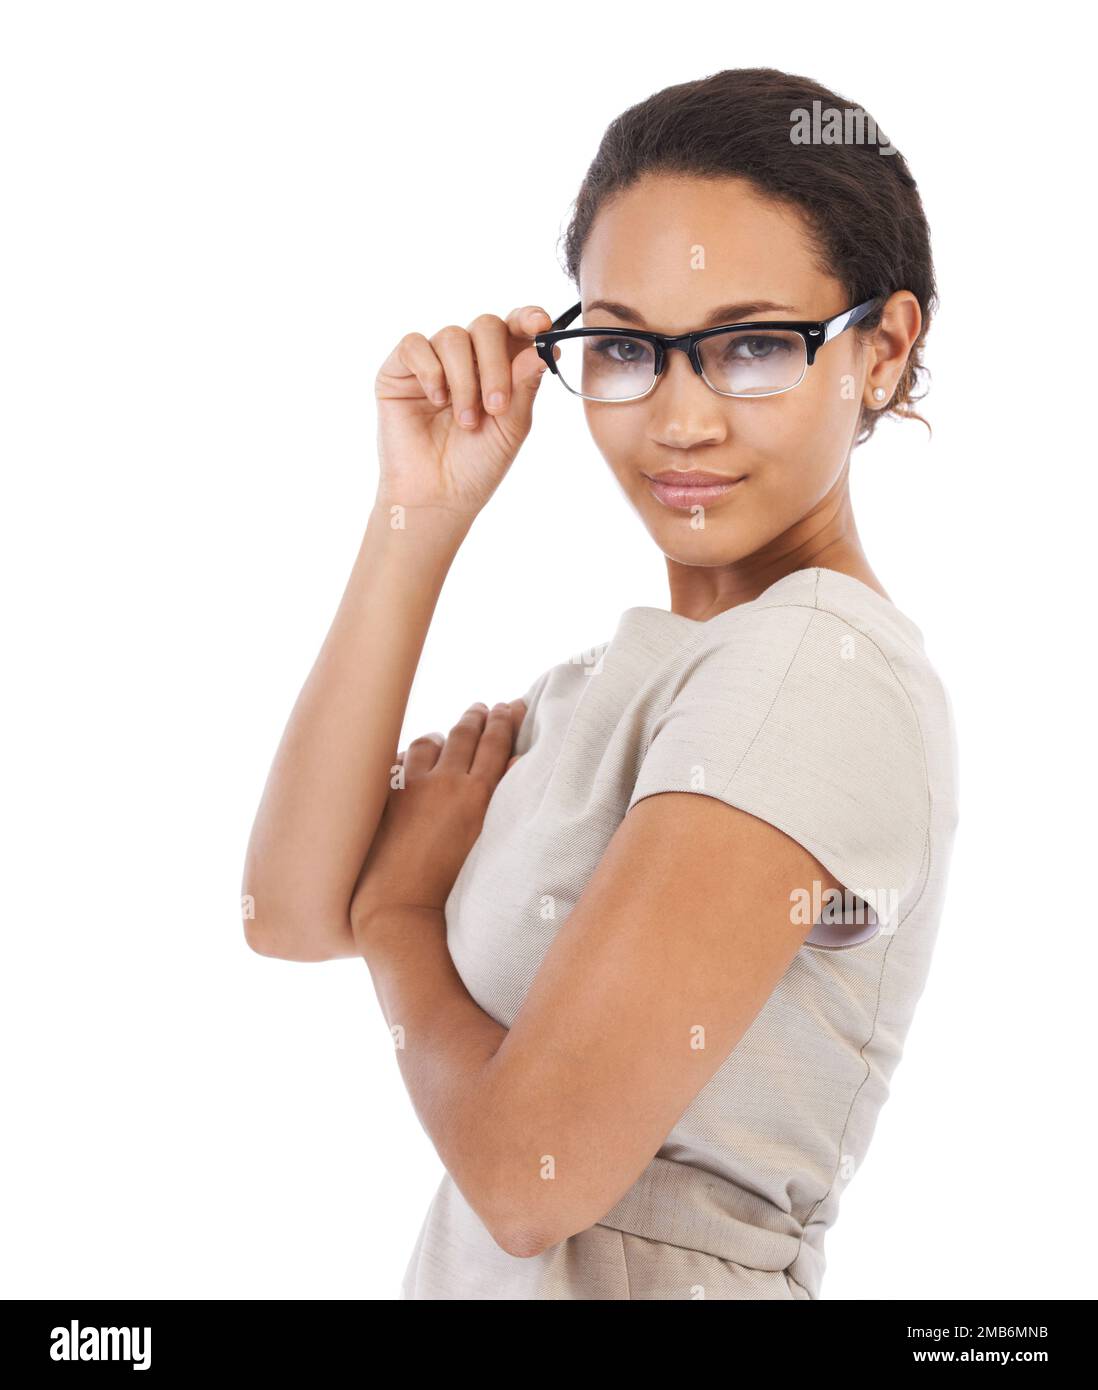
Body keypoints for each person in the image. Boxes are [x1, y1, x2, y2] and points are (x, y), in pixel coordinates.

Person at [242, 66, 960, 1300]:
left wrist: (405, 922)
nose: (678, 419)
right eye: (629, 346)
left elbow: (531, 1176)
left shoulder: (813, 668)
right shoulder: (623, 684)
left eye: (750, 346)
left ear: (882, 351)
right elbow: (290, 911)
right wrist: (419, 514)